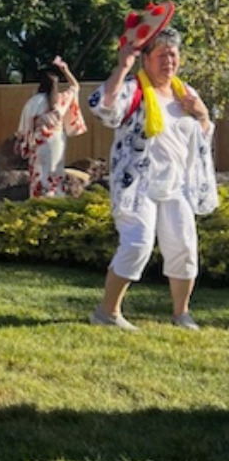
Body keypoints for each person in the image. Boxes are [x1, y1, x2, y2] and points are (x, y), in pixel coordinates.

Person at [87, 27, 218, 331]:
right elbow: (103, 109)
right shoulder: (133, 89)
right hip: (138, 185)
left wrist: (201, 115)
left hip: (177, 185)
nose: (169, 61)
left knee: (184, 246)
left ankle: (181, 313)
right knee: (137, 244)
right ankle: (107, 312)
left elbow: (201, 139)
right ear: (146, 59)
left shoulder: (187, 94)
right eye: (161, 55)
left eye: (173, 54)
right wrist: (122, 66)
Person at [16, 56, 87, 197]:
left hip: (39, 141)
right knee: (55, 171)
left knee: (39, 173)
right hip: (57, 139)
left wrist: (23, 140)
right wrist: (65, 70)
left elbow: (24, 127)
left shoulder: (33, 101)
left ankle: (38, 201)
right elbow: (75, 87)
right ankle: (56, 200)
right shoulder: (62, 100)